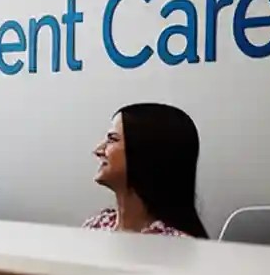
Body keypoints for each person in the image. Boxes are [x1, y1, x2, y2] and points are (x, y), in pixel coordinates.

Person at [84, 102, 209, 238]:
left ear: (146, 153)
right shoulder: (96, 226)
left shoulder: (174, 245)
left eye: (112, 139)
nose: (98, 151)